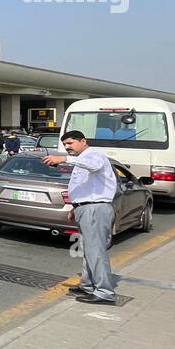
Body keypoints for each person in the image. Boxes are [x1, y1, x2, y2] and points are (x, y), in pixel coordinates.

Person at [43, 130, 119, 305]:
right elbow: (82, 186)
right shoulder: (81, 162)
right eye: (65, 145)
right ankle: (88, 285)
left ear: (83, 141)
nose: (67, 147)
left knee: (95, 250)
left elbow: (94, 166)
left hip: (95, 209)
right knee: (88, 250)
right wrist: (74, 206)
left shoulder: (94, 156)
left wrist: (63, 159)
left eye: (70, 143)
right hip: (85, 208)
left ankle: (104, 292)